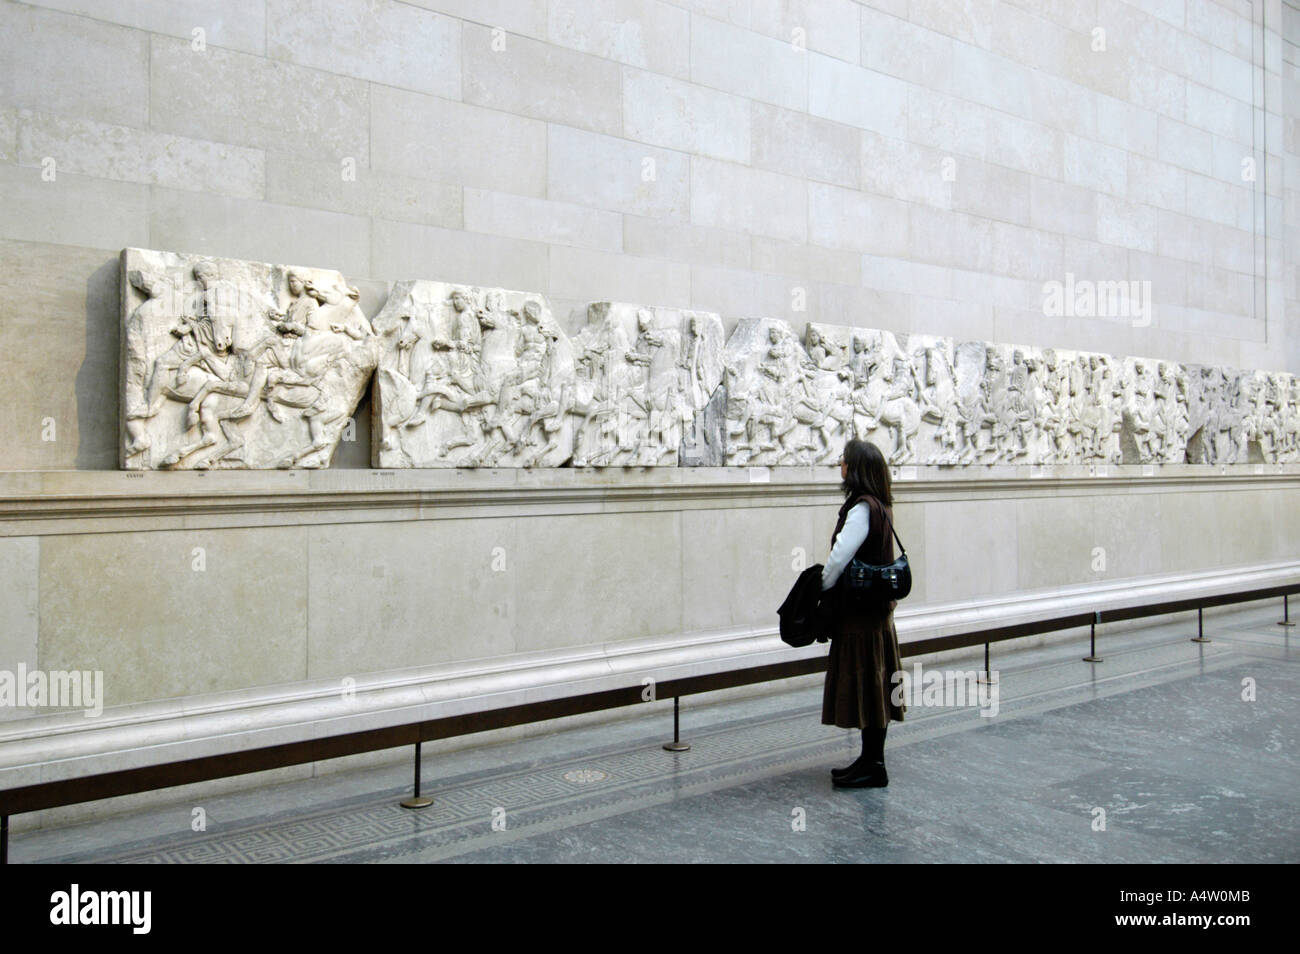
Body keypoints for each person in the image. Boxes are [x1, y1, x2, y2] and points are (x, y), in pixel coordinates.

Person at [820, 438, 905, 788]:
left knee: (870, 685)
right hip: (877, 615)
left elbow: (839, 558)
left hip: (861, 615)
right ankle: (871, 760)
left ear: (855, 469)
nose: (840, 466)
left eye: (844, 461)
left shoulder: (861, 509)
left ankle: (875, 765)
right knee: (876, 686)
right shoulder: (880, 505)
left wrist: (821, 587)